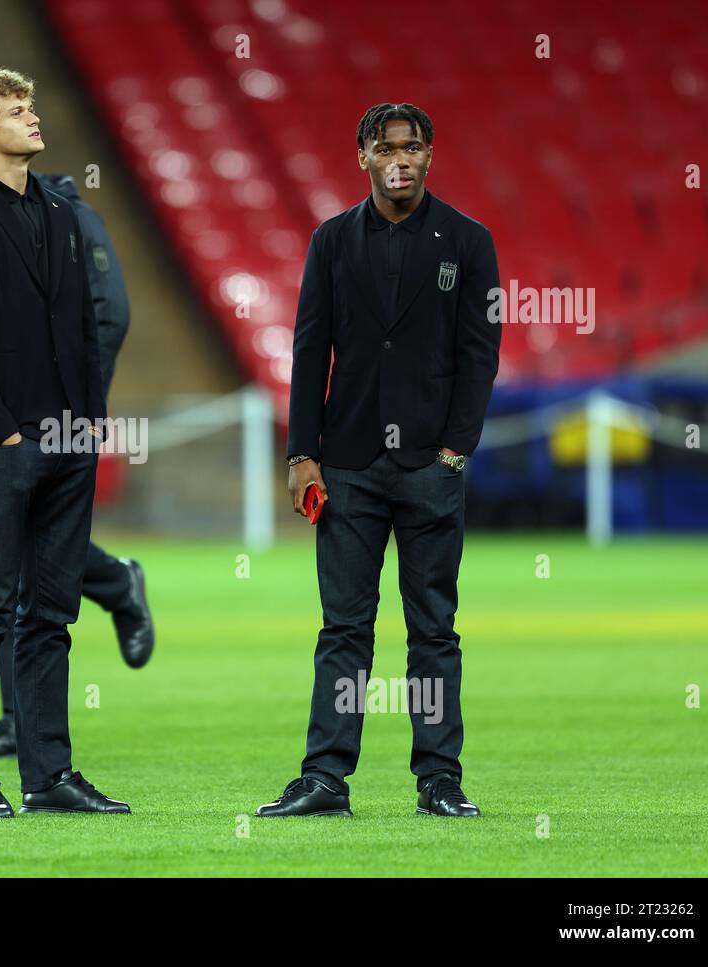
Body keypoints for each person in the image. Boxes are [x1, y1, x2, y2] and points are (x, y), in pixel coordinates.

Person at [256, 104, 501, 819]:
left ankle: (439, 779)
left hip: (430, 464)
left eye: (413, 146)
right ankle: (326, 777)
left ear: (429, 156)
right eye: (386, 146)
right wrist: (303, 453)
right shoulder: (331, 241)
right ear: (362, 156)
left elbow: (479, 354)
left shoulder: (469, 241)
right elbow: (309, 351)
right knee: (343, 628)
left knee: (433, 628)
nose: (400, 157)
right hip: (349, 463)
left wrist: (456, 448)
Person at [0, 68, 129, 817]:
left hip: (70, 441)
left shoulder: (62, 215)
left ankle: (49, 774)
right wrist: (4, 432)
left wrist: (88, 422)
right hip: (1, 444)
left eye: (32, 105)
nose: (33, 118)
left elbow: (81, 328)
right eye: (16, 111)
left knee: (50, 614)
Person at [0, 149, 154, 758]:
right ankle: (116, 582)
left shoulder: (66, 214)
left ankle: (21, 721)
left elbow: (109, 314)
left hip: (58, 413)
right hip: (13, 417)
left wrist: (74, 392)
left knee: (24, 568)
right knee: (20, 559)